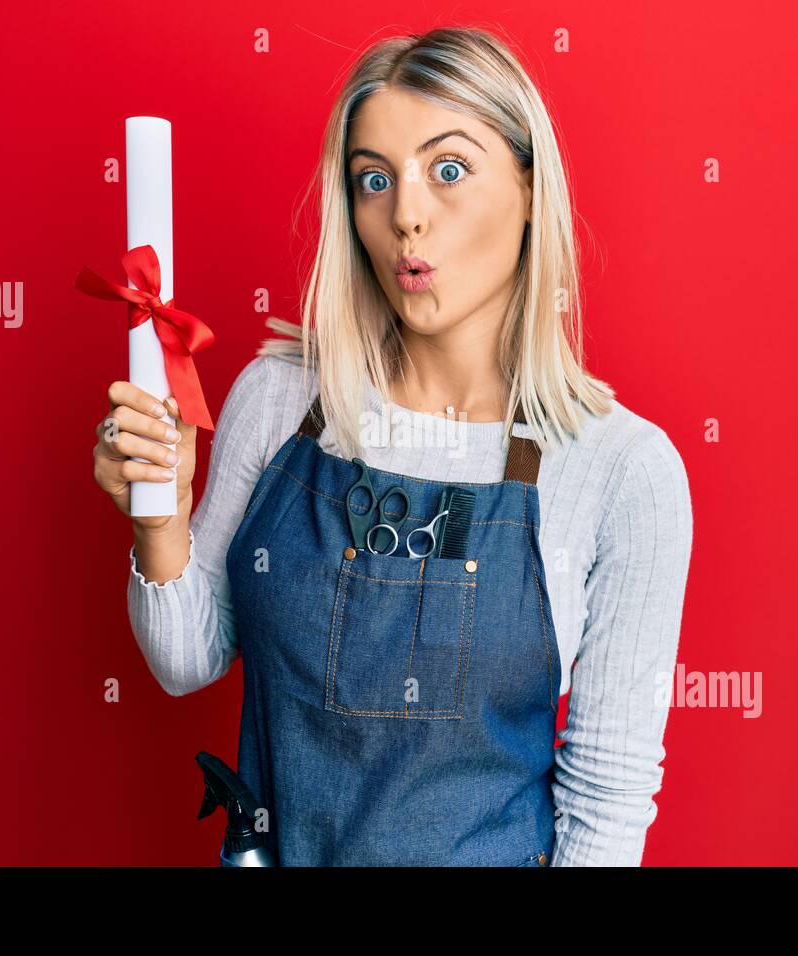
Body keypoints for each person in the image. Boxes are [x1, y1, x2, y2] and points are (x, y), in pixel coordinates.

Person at [92, 26, 693, 866]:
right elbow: (186, 660)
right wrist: (161, 515)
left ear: (529, 187)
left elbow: (607, 801)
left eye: (449, 170)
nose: (405, 213)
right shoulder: (280, 400)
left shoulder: (623, 472)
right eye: (374, 179)